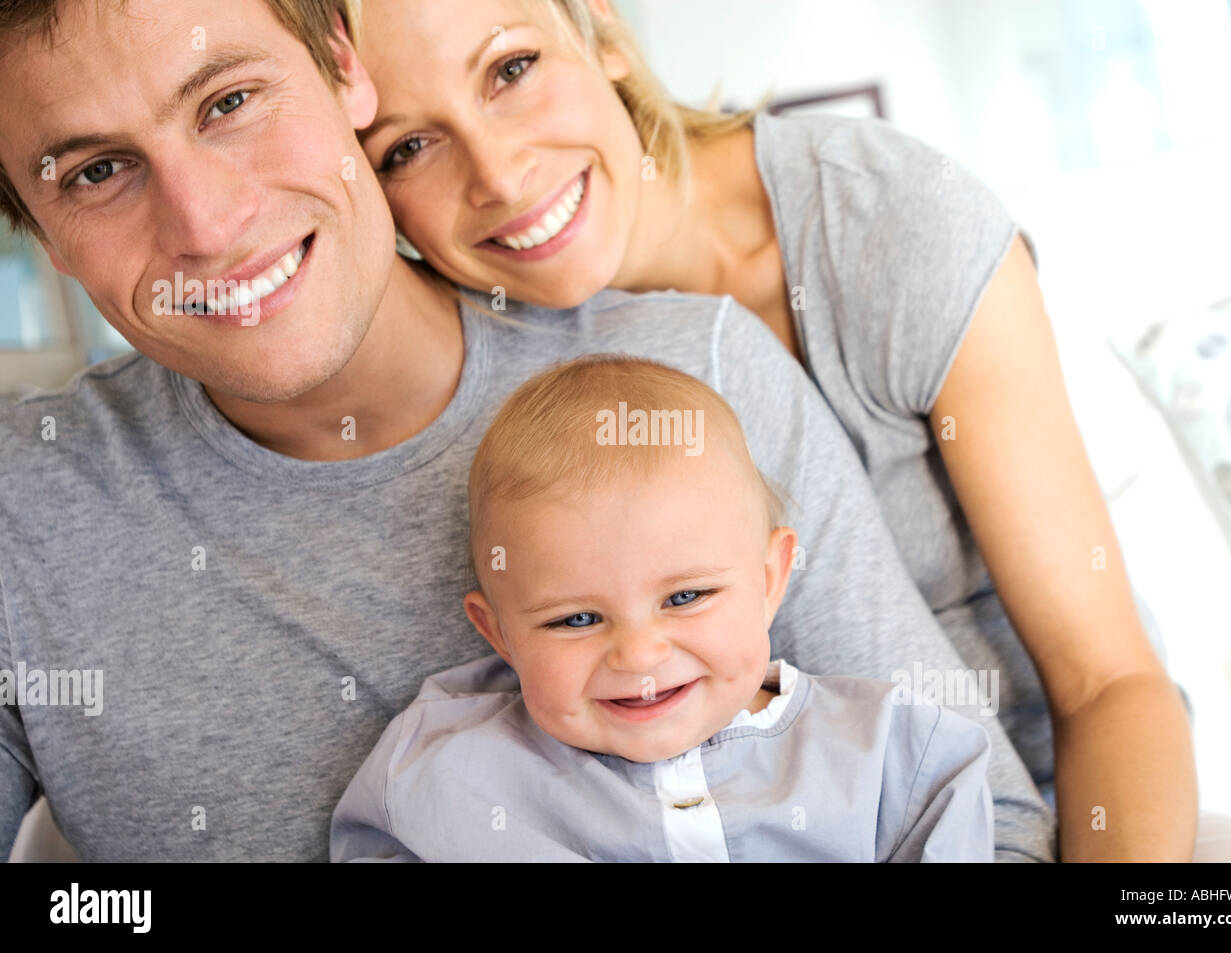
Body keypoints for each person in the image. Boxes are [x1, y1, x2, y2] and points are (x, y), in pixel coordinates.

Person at [0, 0, 1052, 861]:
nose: (207, 223)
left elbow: (981, 820)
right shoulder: (23, 508)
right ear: (37, 230)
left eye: (229, 101)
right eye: (95, 171)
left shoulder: (699, 380)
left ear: (342, 69)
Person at [349, 0, 1202, 860]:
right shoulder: (490, 385)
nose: (498, 174)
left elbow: (1108, 682)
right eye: (407, 148)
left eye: (511, 68)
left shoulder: (885, 228)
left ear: (601, 31)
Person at [331, 356, 995, 862]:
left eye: (685, 597)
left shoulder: (894, 757)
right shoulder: (442, 775)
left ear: (771, 578)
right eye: (576, 619)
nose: (640, 653)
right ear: (499, 632)